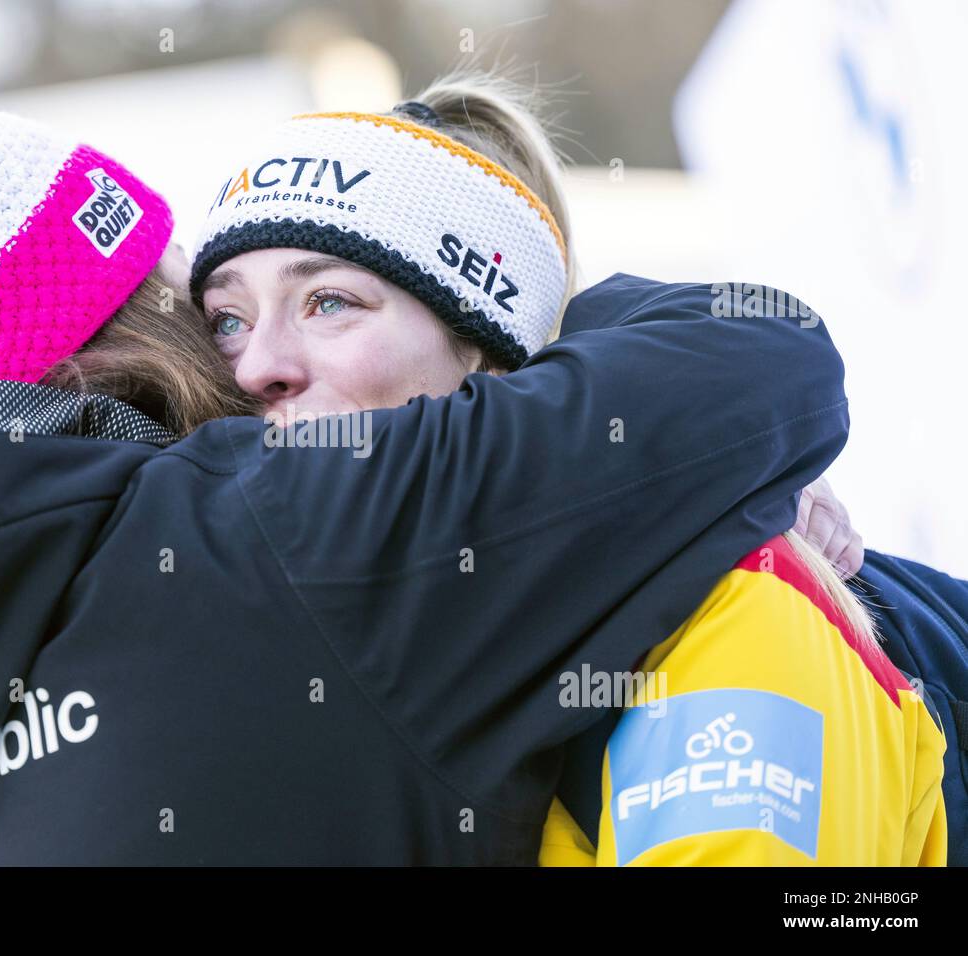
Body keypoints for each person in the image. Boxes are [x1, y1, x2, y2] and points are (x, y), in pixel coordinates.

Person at [0, 71, 846, 864]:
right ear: (118, 337)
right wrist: (602, 411)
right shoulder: (281, 533)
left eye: (327, 301)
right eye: (211, 310)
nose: (253, 369)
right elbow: (758, 364)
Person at [188, 73, 947, 865]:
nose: (256, 368)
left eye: (330, 302)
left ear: (486, 357)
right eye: (229, 320)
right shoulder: (334, 650)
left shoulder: (728, 608)